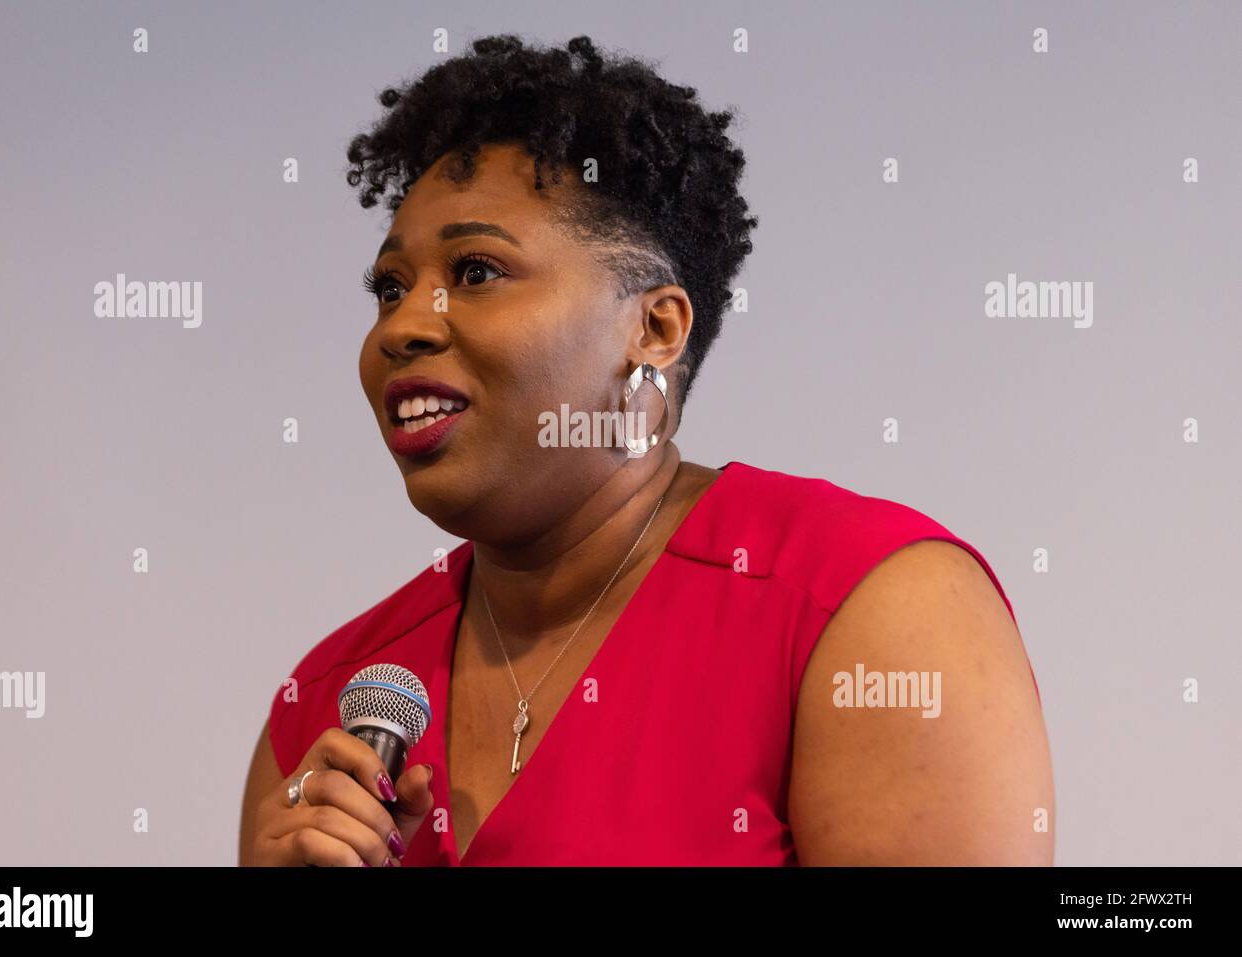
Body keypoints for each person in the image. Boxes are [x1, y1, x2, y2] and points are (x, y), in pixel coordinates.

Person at [238, 34, 1054, 866]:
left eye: (476, 271)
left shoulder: (866, 611)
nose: (403, 325)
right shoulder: (327, 707)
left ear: (655, 328)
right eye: (389, 288)